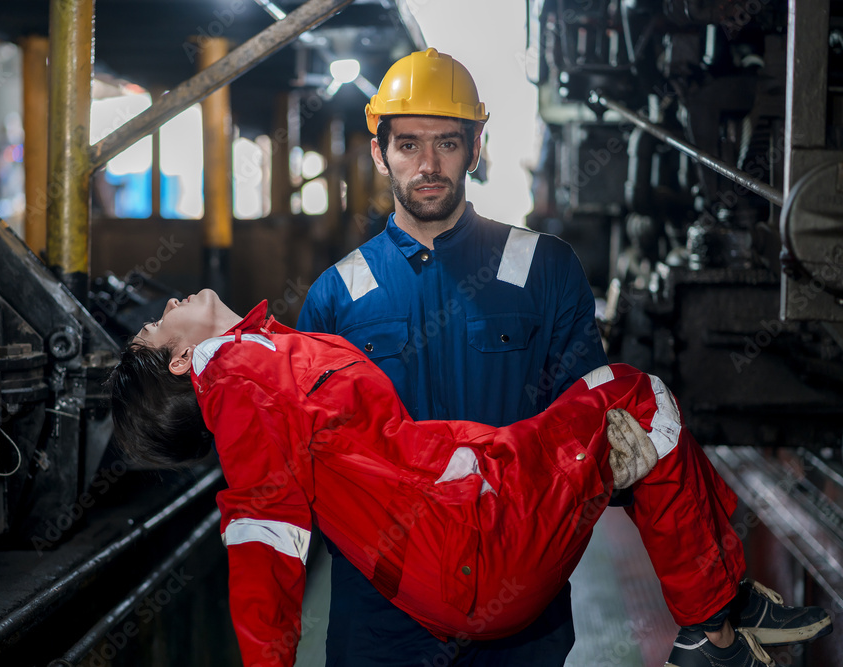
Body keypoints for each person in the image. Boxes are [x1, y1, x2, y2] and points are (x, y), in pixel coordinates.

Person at [295, 48, 828, 666]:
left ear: (475, 146)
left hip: (519, 607)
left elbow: (589, 423)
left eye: (447, 141)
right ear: (379, 152)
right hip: (383, 615)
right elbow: (318, 463)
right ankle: (718, 616)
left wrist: (627, 474)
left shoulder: (543, 268)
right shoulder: (335, 296)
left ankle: (716, 610)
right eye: (409, 144)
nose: (429, 163)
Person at [108, 289, 832, 667]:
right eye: (154, 326)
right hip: (472, 544)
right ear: (179, 362)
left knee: (630, 414)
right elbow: (264, 531)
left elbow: (387, 449)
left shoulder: (266, 352)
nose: (164, 307)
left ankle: (720, 607)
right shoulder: (236, 380)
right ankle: (711, 624)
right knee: (635, 398)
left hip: (470, 506)